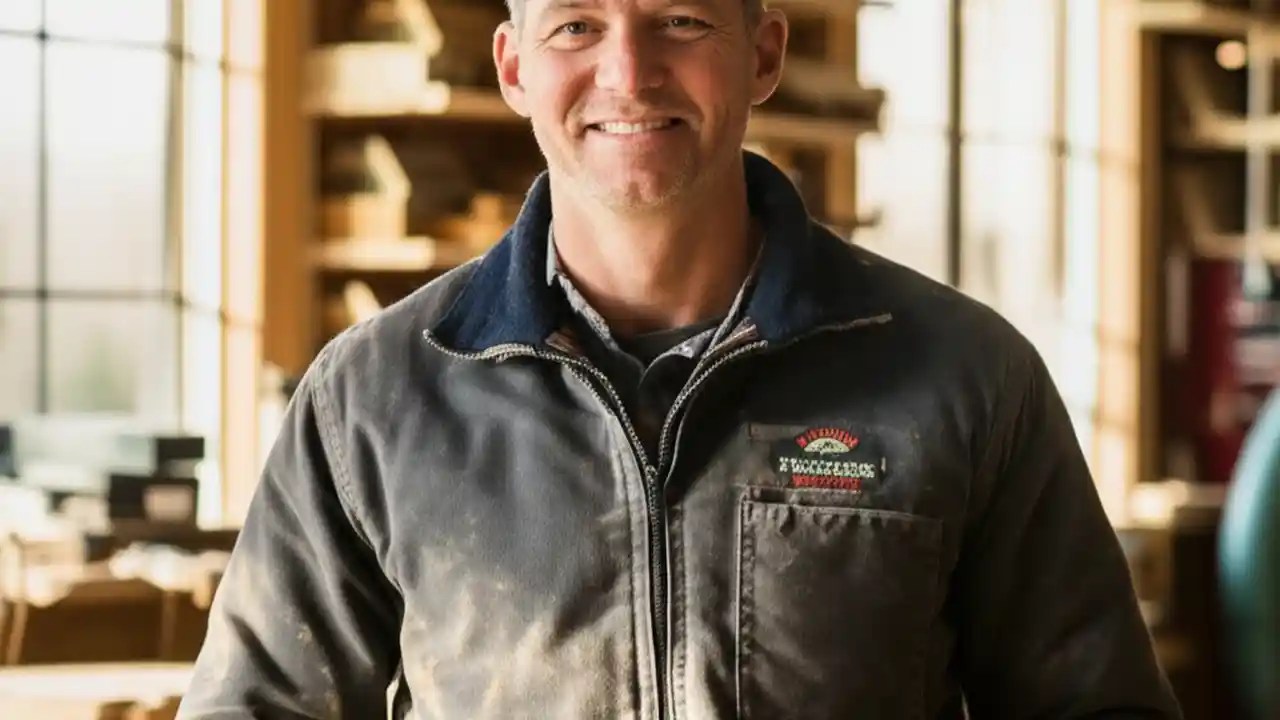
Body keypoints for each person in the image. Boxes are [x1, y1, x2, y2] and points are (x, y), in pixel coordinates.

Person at [180, 0, 1183, 717]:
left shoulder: (963, 378)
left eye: (681, 21)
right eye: (576, 25)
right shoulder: (373, 400)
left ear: (762, 53)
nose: (628, 73)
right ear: (513, 65)